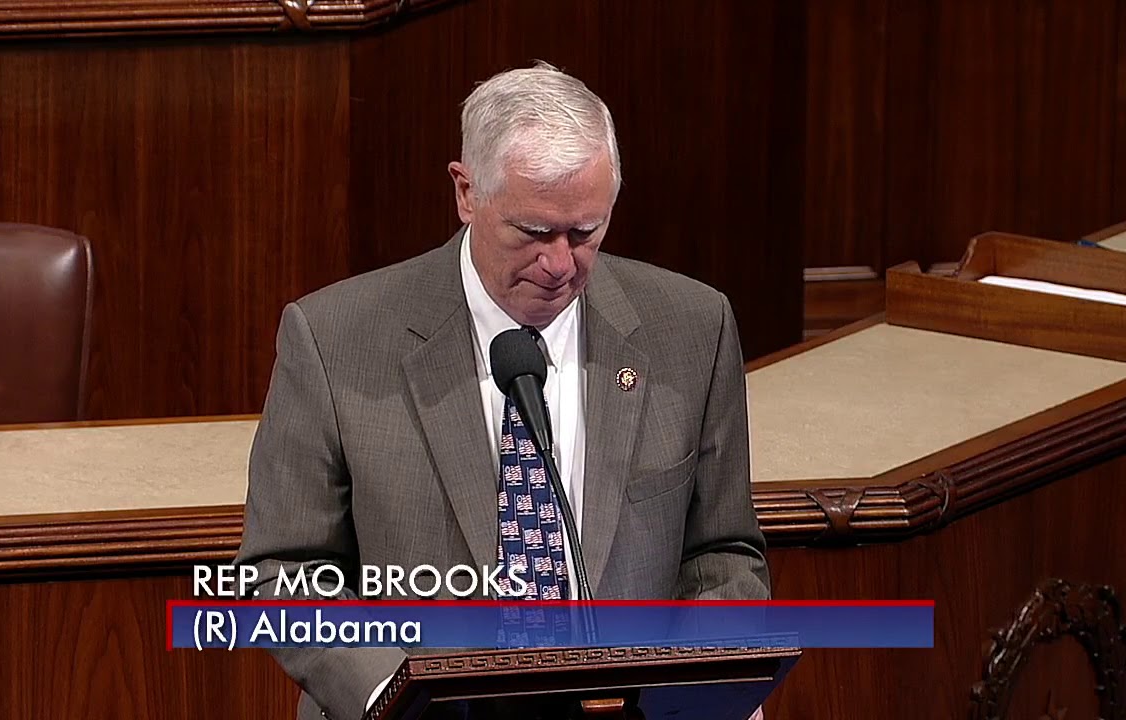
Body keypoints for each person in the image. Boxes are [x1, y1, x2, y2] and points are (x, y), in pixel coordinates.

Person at [235, 61, 770, 720]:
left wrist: (701, 683)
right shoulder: (335, 339)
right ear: (466, 193)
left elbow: (722, 551)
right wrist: (392, 695)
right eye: (534, 232)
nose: (561, 263)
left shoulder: (690, 329)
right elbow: (282, 571)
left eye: (586, 232)